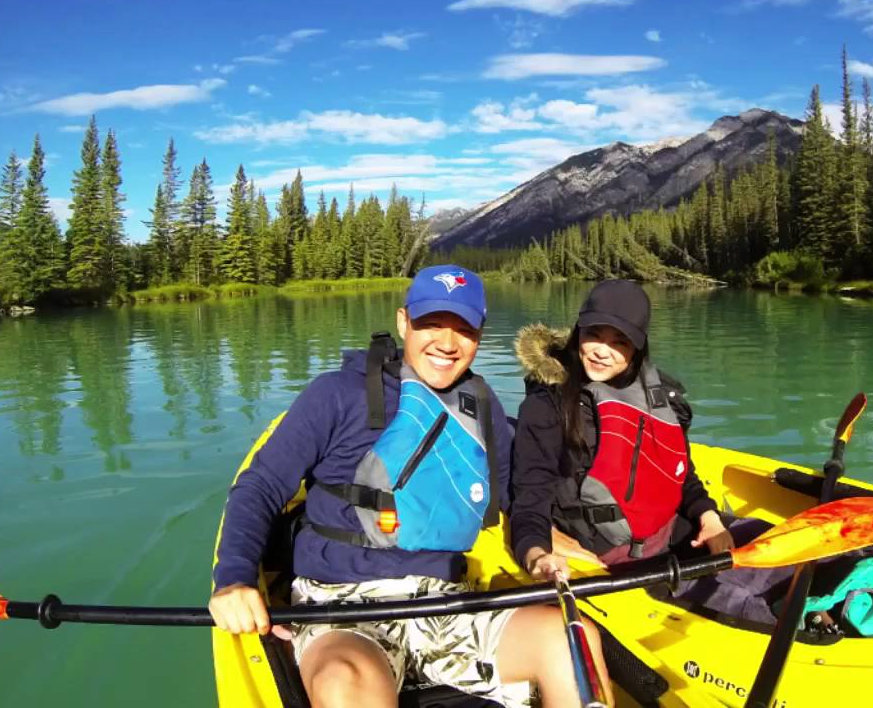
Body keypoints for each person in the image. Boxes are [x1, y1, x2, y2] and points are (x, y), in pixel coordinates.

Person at [211, 265, 611, 708]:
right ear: (404, 322)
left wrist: (536, 543)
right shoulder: (336, 394)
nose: (447, 342)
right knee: (345, 678)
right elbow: (260, 486)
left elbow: (515, 493)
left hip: (446, 603)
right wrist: (233, 579)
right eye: (431, 324)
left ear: (479, 334)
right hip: (343, 609)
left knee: (571, 641)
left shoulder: (482, 405)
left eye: (463, 328)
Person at [510, 279, 873, 629]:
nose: (603, 350)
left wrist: (709, 517)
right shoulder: (546, 408)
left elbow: (681, 472)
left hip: (674, 532)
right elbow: (529, 496)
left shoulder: (655, 397)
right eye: (595, 334)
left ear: (637, 348)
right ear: (578, 332)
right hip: (617, 559)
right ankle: (835, 616)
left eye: (620, 341)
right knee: (757, 608)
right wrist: (537, 555)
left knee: (787, 548)